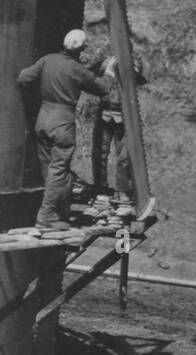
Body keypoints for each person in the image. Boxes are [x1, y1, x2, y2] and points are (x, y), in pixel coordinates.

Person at [18, 29, 113, 230]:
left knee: (49, 170)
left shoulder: (47, 60)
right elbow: (103, 88)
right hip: (62, 123)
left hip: (43, 119)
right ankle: (46, 217)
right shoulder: (77, 69)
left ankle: (60, 213)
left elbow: (24, 78)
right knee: (59, 171)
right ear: (82, 48)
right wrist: (110, 70)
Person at [89, 52, 147, 218]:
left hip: (125, 116)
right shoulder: (107, 61)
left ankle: (124, 195)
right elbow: (93, 76)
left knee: (124, 157)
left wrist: (130, 69)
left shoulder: (134, 60)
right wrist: (107, 67)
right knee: (99, 155)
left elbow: (137, 79)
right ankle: (101, 194)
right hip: (105, 115)